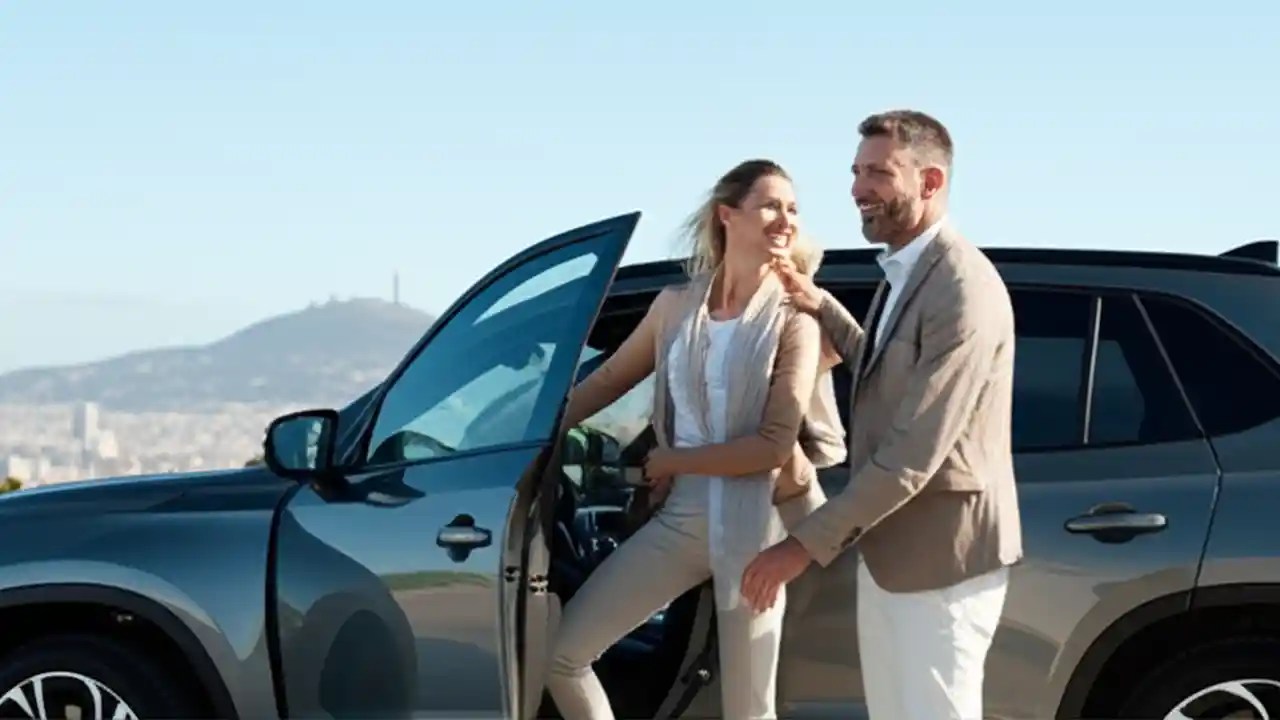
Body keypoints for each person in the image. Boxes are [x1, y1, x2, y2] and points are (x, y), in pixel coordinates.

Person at [741, 110, 1023, 720]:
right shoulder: (907, 271)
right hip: (894, 557)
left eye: (878, 173)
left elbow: (913, 454)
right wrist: (818, 304)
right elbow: (889, 366)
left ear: (930, 182)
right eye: (855, 171)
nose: (856, 189)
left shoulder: (961, 287)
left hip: (944, 564)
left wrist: (800, 548)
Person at [546, 159, 845, 720]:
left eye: (793, 209)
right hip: (682, 519)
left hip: (756, 527)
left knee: (748, 711)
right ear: (727, 215)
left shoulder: (794, 318)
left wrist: (675, 459)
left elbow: (775, 445)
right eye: (771, 205)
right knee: (563, 655)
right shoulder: (674, 306)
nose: (786, 219)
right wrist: (539, 434)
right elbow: (610, 378)